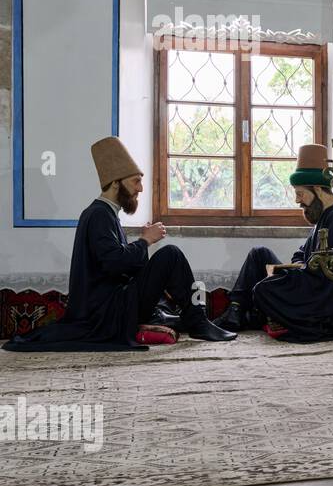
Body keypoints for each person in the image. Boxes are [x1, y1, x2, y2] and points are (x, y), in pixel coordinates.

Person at [3, 136, 236, 351]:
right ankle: (198, 323)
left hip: (115, 306)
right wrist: (145, 241)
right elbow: (114, 264)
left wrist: (142, 245)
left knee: (166, 268)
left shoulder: (106, 214)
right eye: (135, 181)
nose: (140, 188)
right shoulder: (98, 215)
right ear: (116, 183)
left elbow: (122, 265)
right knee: (171, 255)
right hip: (107, 313)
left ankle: (193, 319)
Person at [213, 144, 333, 343]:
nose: (297, 201)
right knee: (258, 254)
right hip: (308, 280)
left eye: (300, 194)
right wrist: (290, 269)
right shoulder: (323, 216)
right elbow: (302, 255)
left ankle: (247, 314)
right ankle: (236, 311)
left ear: (318, 189)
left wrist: (289, 273)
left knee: (263, 289)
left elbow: (325, 280)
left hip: (322, 299)